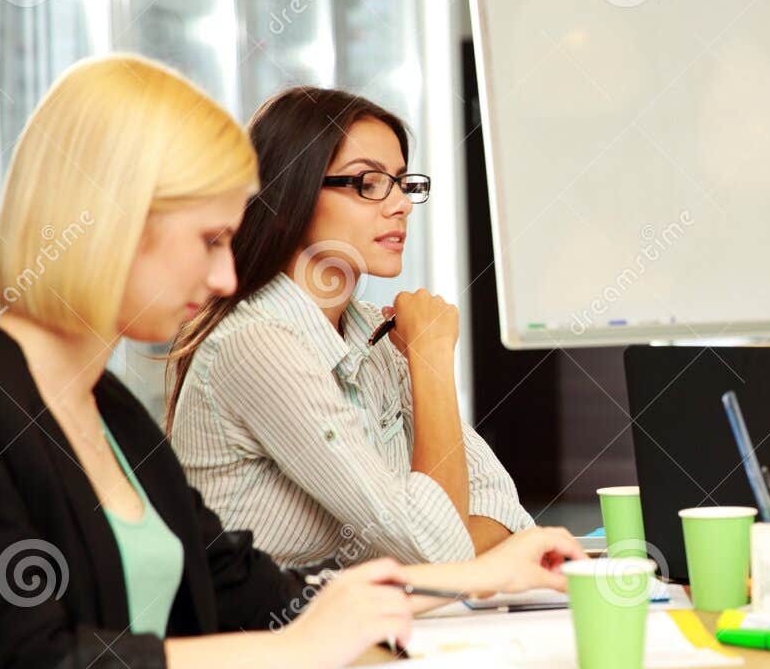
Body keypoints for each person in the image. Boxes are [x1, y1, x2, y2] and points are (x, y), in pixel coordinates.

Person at [0, 56, 584, 669]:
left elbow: (245, 587)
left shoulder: (110, 410)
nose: (226, 274)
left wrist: (476, 575)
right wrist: (292, 650)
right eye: (210, 240)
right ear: (111, 222)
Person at [168, 87, 532, 569]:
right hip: (266, 635)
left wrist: (433, 549)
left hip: (362, 626)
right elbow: (435, 546)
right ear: (292, 192)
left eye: (402, 183)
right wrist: (431, 360)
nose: (400, 204)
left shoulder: (368, 332)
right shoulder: (257, 345)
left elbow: (503, 509)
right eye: (368, 183)